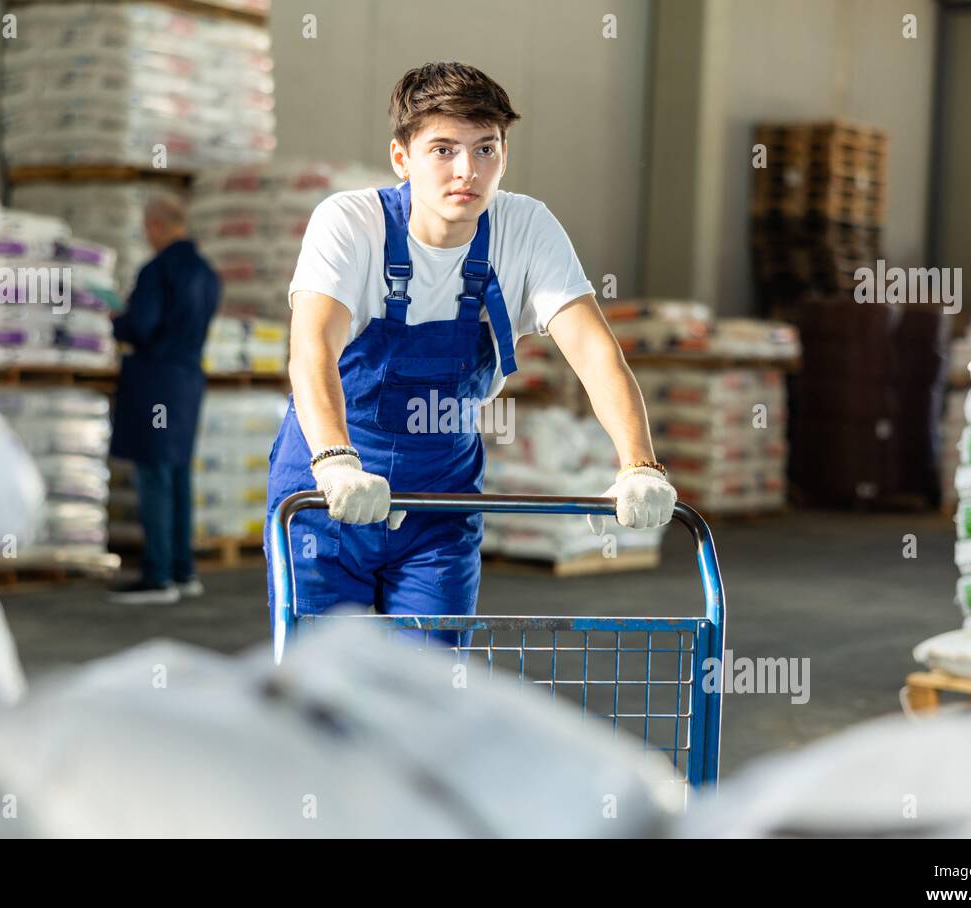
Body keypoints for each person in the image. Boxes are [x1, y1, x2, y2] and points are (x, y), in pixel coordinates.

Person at [265, 61, 676, 639]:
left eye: (487, 149)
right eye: (443, 150)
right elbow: (312, 349)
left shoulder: (526, 227)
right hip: (325, 502)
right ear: (401, 158)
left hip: (439, 509)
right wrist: (335, 460)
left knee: (432, 688)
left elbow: (594, 351)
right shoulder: (351, 223)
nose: (468, 171)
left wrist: (640, 464)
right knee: (321, 695)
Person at [108, 193, 221, 605]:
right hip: (188, 380)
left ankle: (157, 578)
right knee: (176, 473)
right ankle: (183, 570)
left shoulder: (158, 271)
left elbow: (141, 326)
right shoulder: (208, 274)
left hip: (157, 383)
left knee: (154, 473)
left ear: (156, 226)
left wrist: (115, 321)